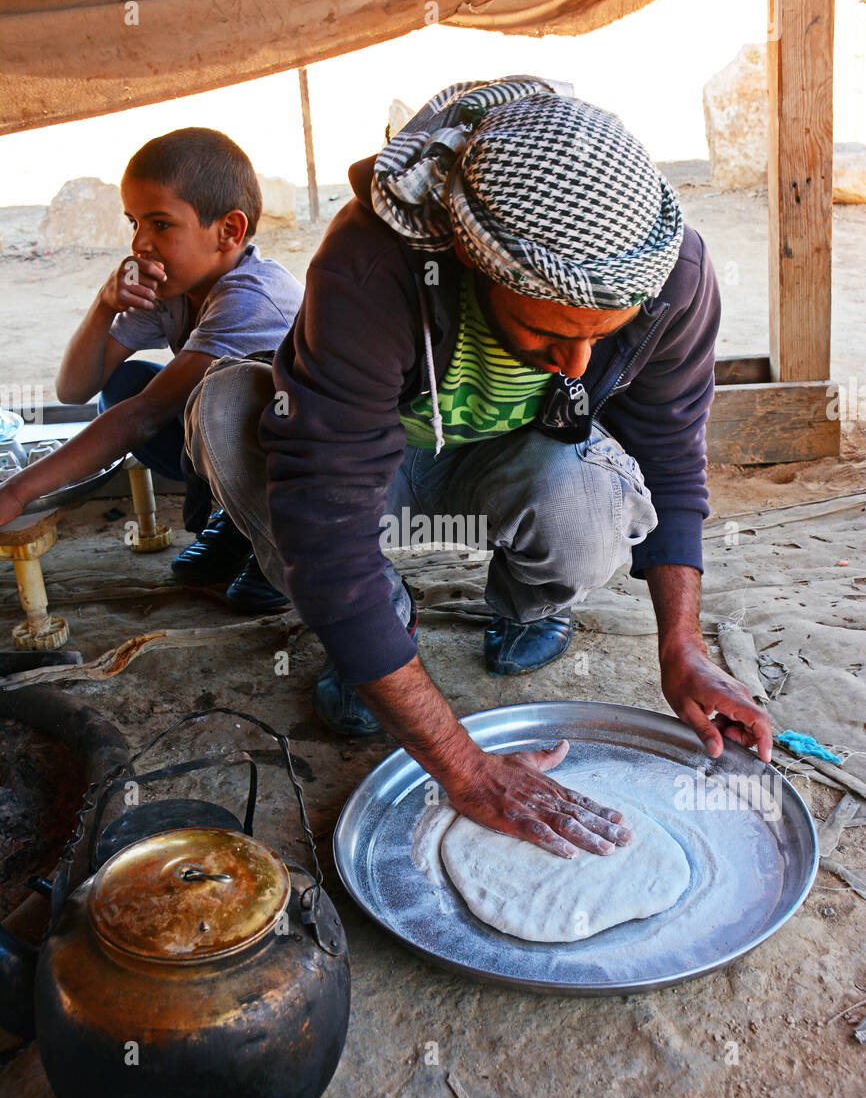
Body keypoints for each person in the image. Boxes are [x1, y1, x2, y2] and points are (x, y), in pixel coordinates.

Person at [185, 77, 773, 858]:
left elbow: (668, 453)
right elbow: (325, 523)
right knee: (225, 411)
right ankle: (379, 625)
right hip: (378, 468)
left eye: (603, 336)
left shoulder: (673, 274)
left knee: (589, 504)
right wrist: (463, 768)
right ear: (468, 256)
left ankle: (529, 606)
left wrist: (683, 646)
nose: (577, 362)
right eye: (547, 333)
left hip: (515, 465)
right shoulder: (371, 267)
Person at [0, 127, 302, 610]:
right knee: (125, 383)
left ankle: (281, 539)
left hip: (305, 465)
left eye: (160, 224)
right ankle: (236, 519)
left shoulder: (252, 298)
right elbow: (75, 388)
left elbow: (144, 416)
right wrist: (104, 305)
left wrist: (16, 493)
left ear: (229, 231)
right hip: (236, 450)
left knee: (210, 401)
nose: (140, 243)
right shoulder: (171, 289)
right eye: (133, 223)